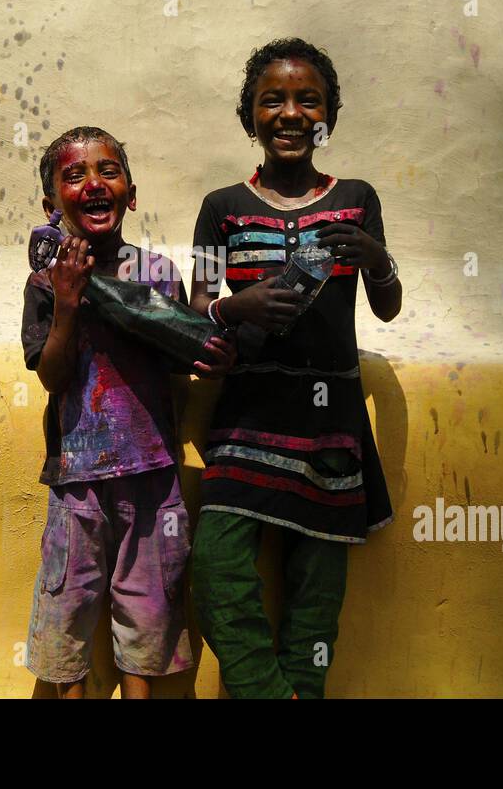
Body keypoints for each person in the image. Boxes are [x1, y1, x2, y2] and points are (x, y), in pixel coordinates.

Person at [188, 39, 403, 698]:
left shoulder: (358, 198)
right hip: (244, 423)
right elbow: (196, 313)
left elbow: (388, 308)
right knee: (215, 564)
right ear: (249, 117)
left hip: (330, 430)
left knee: (314, 608)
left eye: (307, 99)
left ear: (327, 117)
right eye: (271, 100)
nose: (289, 112)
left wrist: (374, 258)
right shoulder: (221, 208)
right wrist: (235, 307)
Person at [21, 125, 234, 698]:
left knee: (148, 618)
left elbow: (177, 360)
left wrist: (206, 352)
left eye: (107, 172)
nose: (93, 184)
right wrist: (67, 303)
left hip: (153, 476)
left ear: (131, 194)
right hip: (77, 481)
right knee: (65, 617)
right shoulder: (45, 280)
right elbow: (52, 375)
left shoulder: (156, 275)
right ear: (51, 205)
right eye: (74, 175)